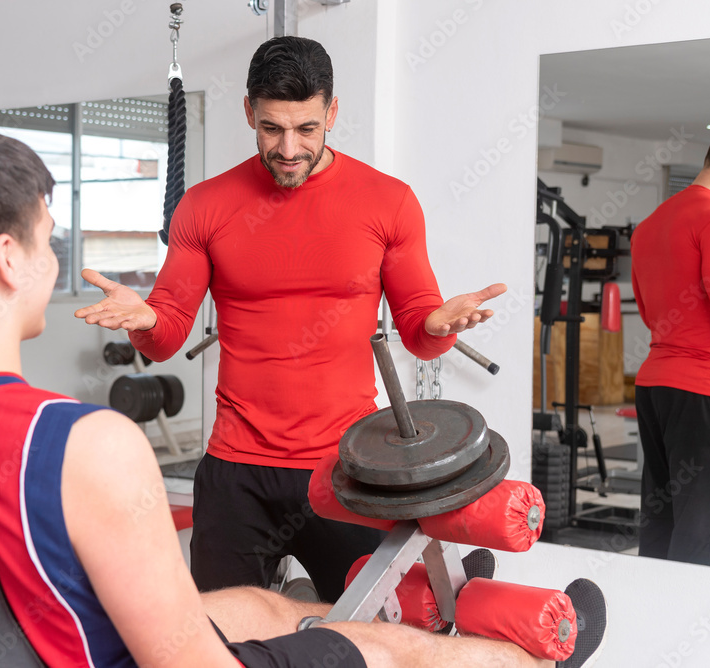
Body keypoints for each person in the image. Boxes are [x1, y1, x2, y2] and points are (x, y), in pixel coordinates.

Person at [0, 121, 578, 668]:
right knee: (391, 644)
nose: (56, 258)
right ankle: (531, 656)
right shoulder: (83, 442)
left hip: (94, 625)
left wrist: (434, 324)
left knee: (267, 604)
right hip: (185, 610)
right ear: (8, 259)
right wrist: (360, 648)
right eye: (49, 240)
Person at [76, 35, 505, 601]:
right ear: (249, 111)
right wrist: (145, 319)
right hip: (236, 469)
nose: (288, 148)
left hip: (346, 468)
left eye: (306, 129)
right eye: (272, 128)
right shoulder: (205, 205)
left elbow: (418, 333)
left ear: (331, 112)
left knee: (364, 638)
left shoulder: (388, 202)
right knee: (224, 640)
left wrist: (436, 327)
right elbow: (167, 336)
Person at [631, 127, 710, 566]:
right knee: (702, 531)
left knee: (663, 518)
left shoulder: (651, 224)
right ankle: (687, 630)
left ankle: (654, 623)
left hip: (656, 385)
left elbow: (650, 310)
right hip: (705, 388)